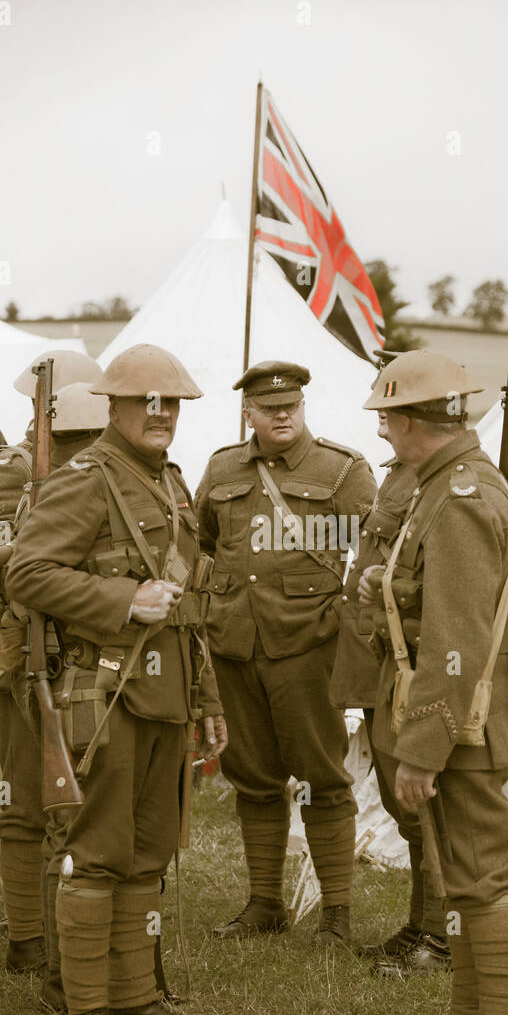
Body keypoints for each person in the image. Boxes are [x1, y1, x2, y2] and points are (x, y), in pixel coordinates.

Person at [6, 344, 228, 1015]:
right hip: (102, 696)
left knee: (148, 856)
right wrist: (121, 599)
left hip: (165, 695)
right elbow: (28, 573)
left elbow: (190, 605)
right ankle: (88, 1014)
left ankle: (137, 1003)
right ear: (115, 406)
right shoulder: (86, 479)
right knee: (96, 855)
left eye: (173, 402)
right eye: (147, 402)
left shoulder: (170, 482)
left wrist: (207, 697)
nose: (161, 414)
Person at [359, 349, 508, 1015]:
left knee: (484, 878)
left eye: (387, 420)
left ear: (407, 420)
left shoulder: (459, 496)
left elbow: (458, 640)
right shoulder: (442, 484)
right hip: (458, 714)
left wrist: (422, 749)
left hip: (463, 719)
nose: (384, 435)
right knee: (465, 879)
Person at [194, 361, 376, 946]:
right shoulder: (223, 467)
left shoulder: (343, 470)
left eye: (290, 406)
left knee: (323, 776)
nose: (281, 415)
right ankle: (265, 904)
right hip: (234, 644)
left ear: (302, 407)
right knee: (252, 777)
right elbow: (199, 547)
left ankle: (336, 916)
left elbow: (378, 552)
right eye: (269, 408)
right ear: (247, 412)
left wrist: (349, 622)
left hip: (308, 647)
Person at [0, 352, 104, 989]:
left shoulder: (115, 465)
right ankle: (27, 940)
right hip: (31, 649)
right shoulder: (15, 467)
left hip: (102, 649)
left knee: (92, 803)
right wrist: (32, 543)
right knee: (26, 797)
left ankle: (81, 944)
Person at [329, 411, 451, 976]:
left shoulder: (447, 483)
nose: (378, 430)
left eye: (387, 417)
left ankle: (442, 940)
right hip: (383, 664)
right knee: (410, 815)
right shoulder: (402, 474)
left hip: (418, 667)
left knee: (434, 812)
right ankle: (420, 927)